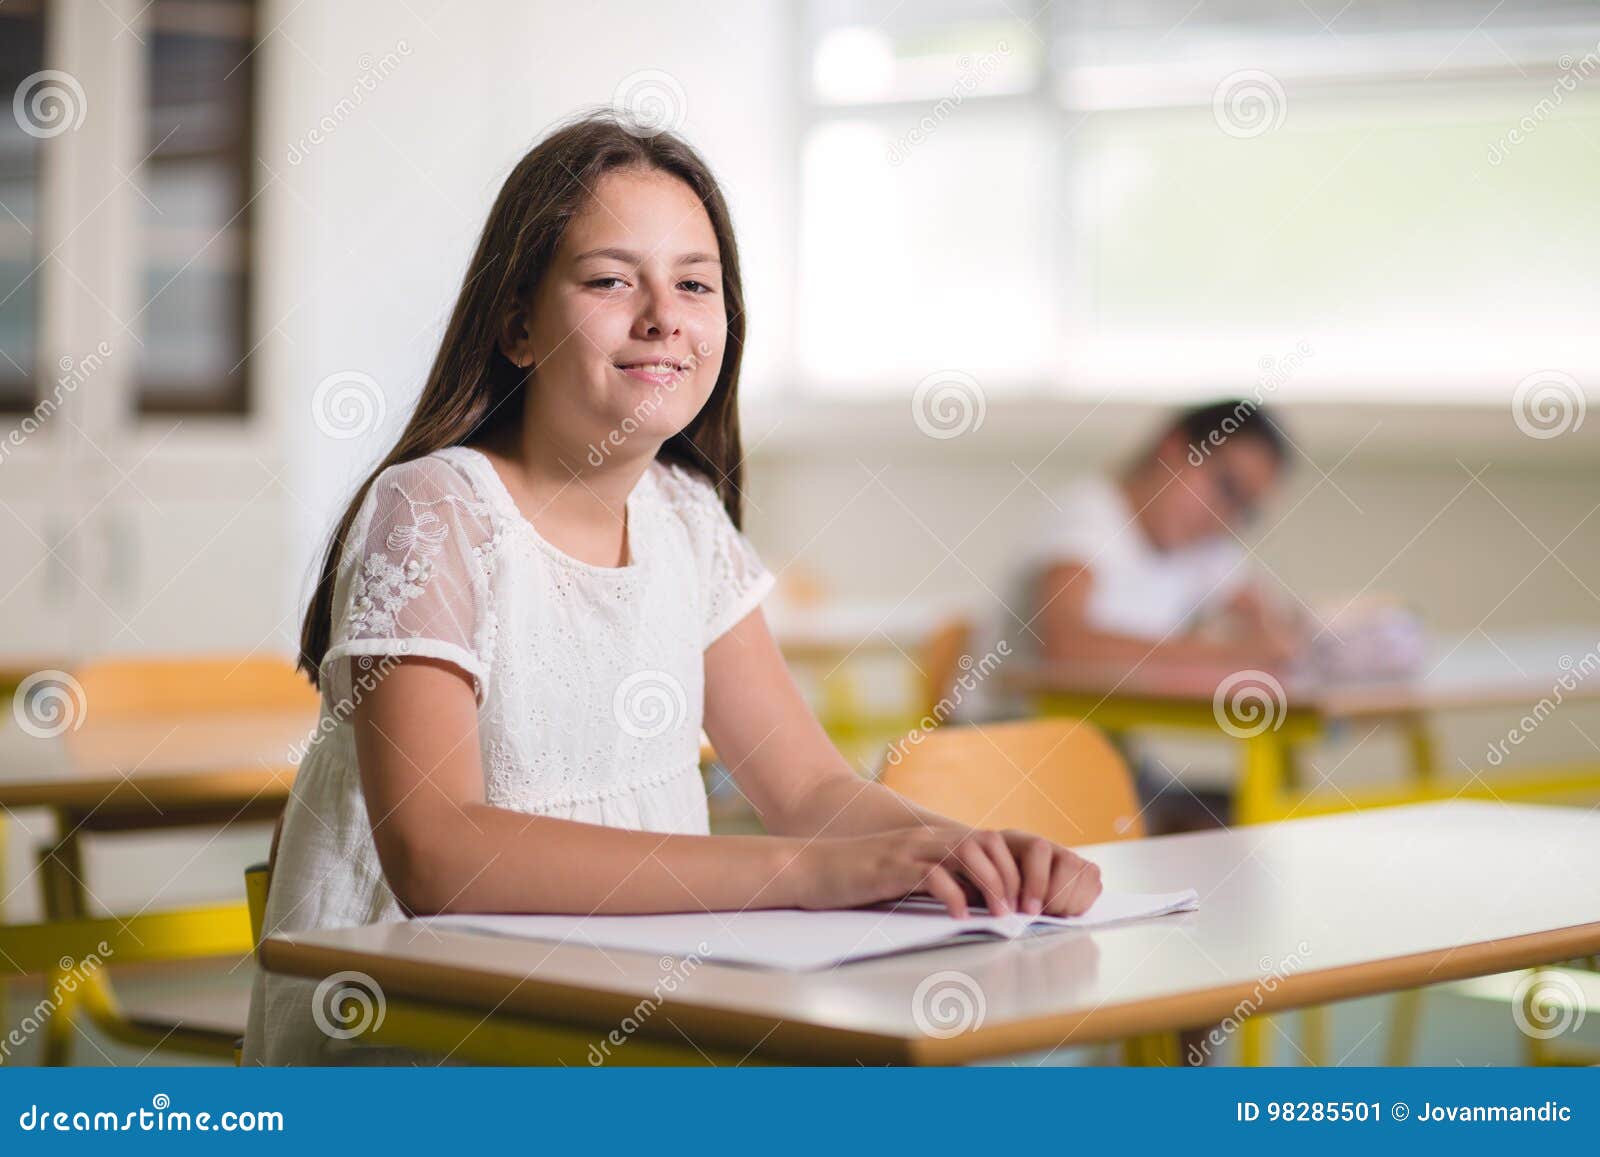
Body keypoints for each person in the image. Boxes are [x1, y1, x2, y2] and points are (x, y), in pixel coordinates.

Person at [243, 111, 1103, 1065]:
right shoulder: (436, 510)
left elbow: (809, 786)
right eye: (612, 280)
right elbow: (439, 855)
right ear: (518, 325)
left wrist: (969, 855)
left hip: (635, 1001)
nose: (664, 315)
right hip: (424, 1030)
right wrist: (804, 873)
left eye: (695, 283)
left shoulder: (686, 517)